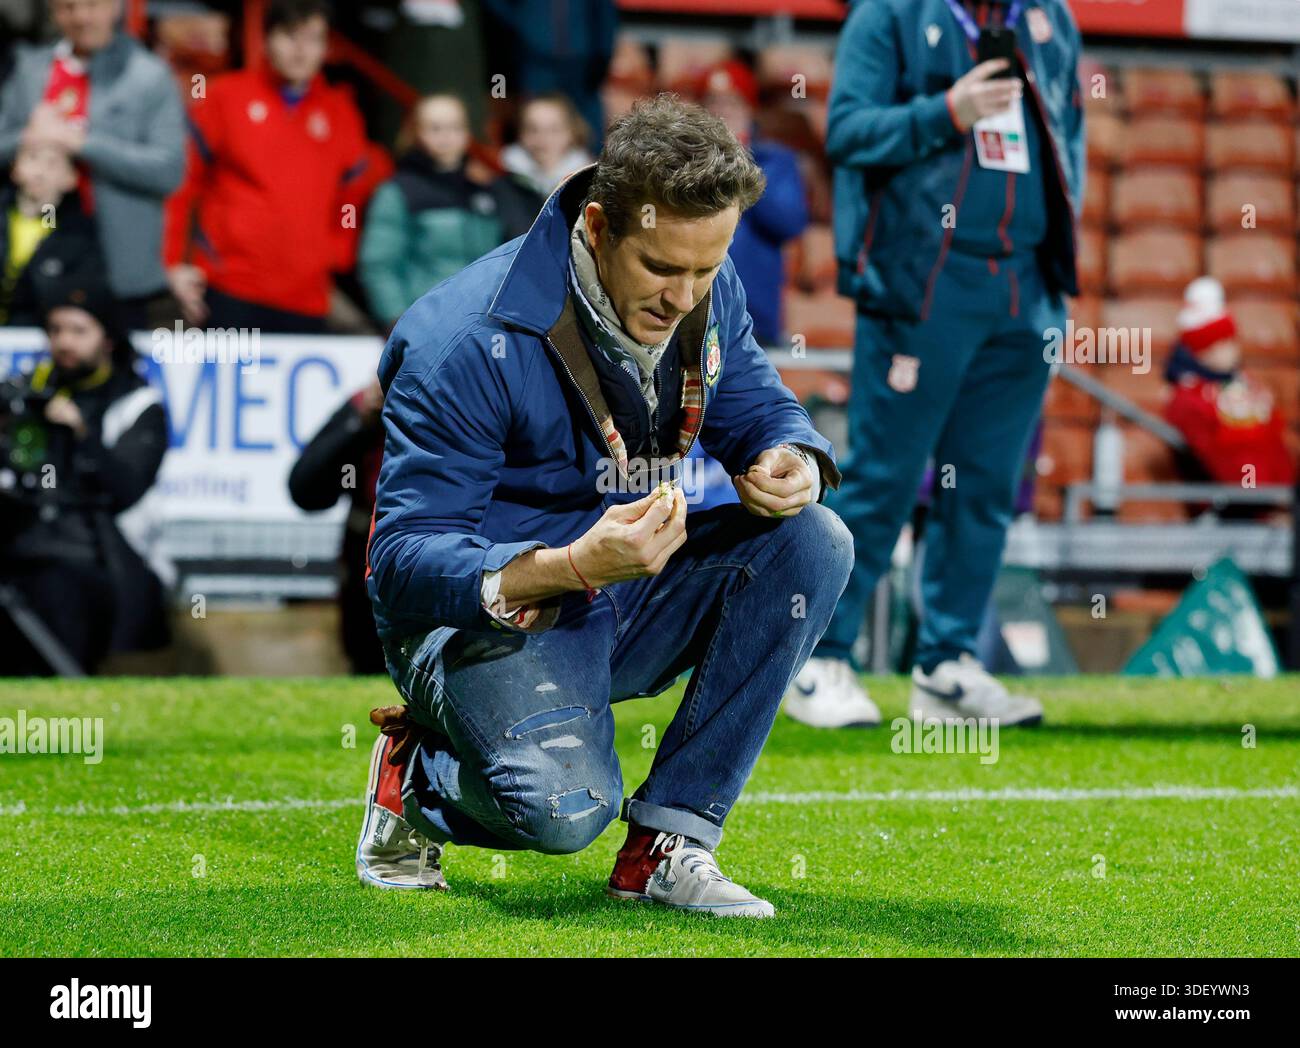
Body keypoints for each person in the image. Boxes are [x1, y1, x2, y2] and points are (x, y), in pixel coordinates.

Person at [357, 95, 850, 916]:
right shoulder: (462, 340)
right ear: (596, 226)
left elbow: (759, 403)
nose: (686, 295)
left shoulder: (700, 281)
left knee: (814, 541)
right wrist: (571, 565)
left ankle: (669, 842)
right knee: (560, 813)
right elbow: (400, 564)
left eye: (708, 268)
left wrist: (788, 456)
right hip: (483, 618)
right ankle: (419, 780)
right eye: (662, 270)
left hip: (620, 584)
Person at [786, 0, 1084, 728]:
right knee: (882, 479)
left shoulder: (1049, 16)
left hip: (1024, 287)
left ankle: (946, 665)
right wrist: (947, 110)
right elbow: (847, 131)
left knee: (984, 488)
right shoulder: (887, 15)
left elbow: (1068, 129)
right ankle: (819, 660)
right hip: (925, 279)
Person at [163, 0, 371, 333]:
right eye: (290, 36)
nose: (301, 51)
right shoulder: (225, 96)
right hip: (230, 287)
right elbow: (181, 184)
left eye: (313, 39)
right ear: (267, 38)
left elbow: (351, 194)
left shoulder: (341, 113)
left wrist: (337, 250)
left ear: (325, 47)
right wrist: (173, 263)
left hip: (307, 297)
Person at [0, 279, 170, 675]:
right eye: (56, 331)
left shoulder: (137, 404)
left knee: (56, 589)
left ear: (107, 339)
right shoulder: (27, 394)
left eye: (79, 331)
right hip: (19, 541)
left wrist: (81, 434)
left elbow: (127, 488)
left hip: (98, 558)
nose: (64, 343)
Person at [0, 0, 186, 328]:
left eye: (93, 5)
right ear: (54, 11)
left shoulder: (148, 76)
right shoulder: (31, 70)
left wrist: (83, 143)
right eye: (69, 7)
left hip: (124, 276)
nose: (82, 17)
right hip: (34, 278)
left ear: (116, 6)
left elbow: (168, 170)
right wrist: (27, 135)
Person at [358, 94, 542, 330]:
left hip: (481, 326)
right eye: (435, 128)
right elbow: (378, 264)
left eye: (455, 127)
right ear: (416, 132)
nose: (446, 136)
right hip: (424, 325)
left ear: (467, 133)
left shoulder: (487, 189)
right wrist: (399, 321)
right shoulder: (397, 192)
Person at [697, 59, 808, 347]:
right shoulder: (685, 164)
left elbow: (787, 222)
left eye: (733, 103)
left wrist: (739, 163)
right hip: (693, 310)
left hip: (753, 313)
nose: (722, 113)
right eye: (714, 103)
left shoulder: (775, 161)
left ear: (750, 109)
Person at [1164, 277, 1296, 500]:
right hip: (1244, 508)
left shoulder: (1242, 384)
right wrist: (1260, 497)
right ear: (1203, 350)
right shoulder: (1189, 399)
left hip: (1277, 499)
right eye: (1223, 342)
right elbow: (1229, 462)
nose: (1233, 350)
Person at [288, 380, 385, 674]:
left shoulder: (465, 404)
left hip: (442, 553)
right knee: (368, 673)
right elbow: (305, 490)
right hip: (367, 561)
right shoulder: (368, 406)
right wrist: (361, 423)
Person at [0, 140, 106, 327]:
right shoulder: (6, 215)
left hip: (39, 333)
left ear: (71, 179)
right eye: (32, 158)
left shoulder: (76, 232)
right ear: (15, 169)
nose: (40, 172)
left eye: (52, 163)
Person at [501, 93, 594, 200]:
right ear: (520, 134)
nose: (543, 139)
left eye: (554, 130)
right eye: (533, 130)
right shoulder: (503, 173)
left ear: (572, 133)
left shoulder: (589, 181)